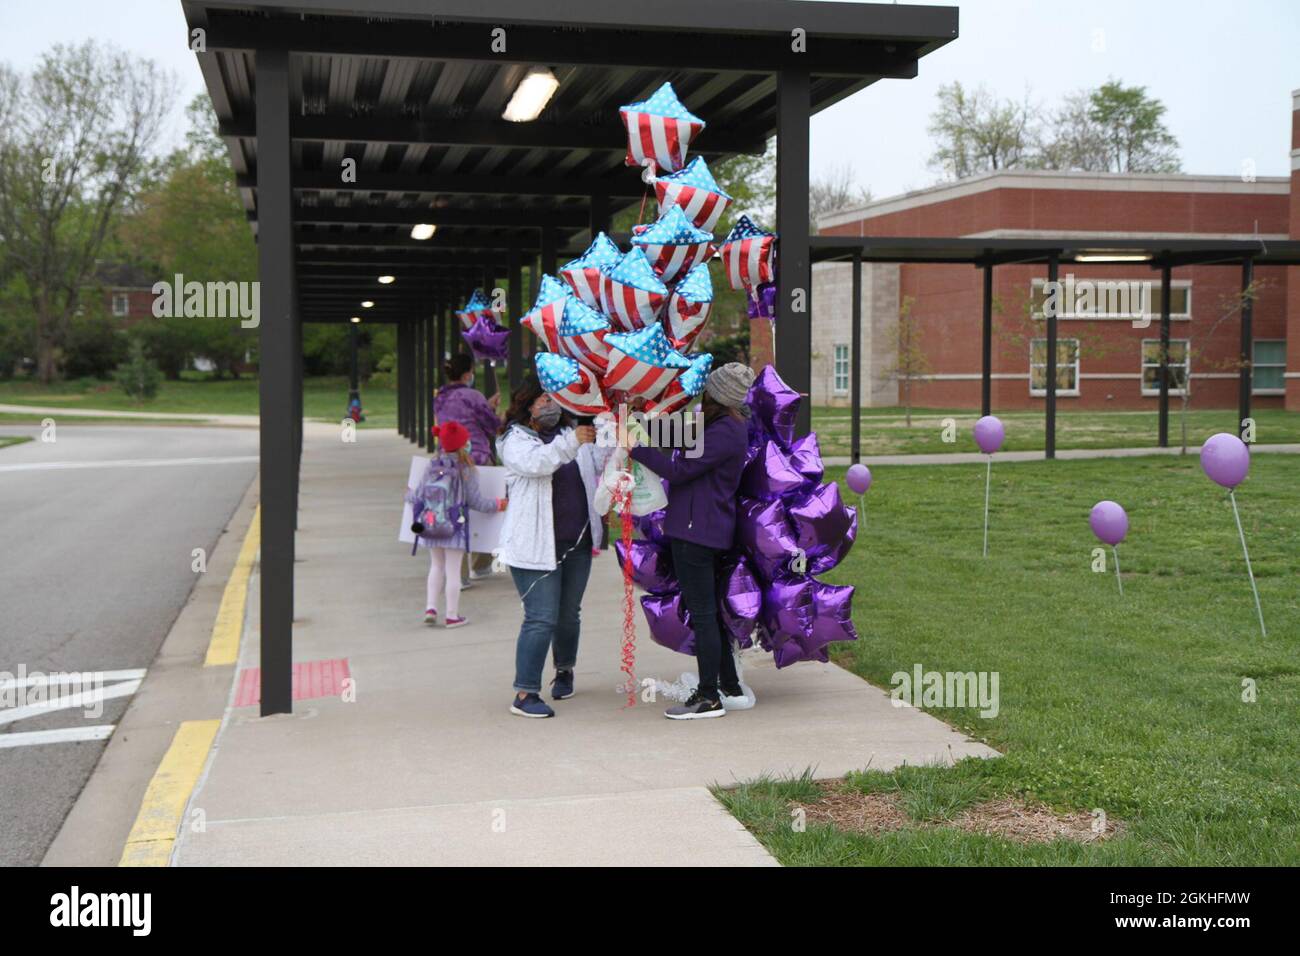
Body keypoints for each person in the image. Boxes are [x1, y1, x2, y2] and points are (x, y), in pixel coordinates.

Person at [628, 363, 755, 720]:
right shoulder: (716, 425)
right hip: (699, 528)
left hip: (697, 532)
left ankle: (708, 696)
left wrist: (635, 447)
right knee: (709, 613)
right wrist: (638, 416)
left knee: (703, 614)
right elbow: (674, 435)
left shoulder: (724, 431)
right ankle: (728, 687)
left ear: (716, 394)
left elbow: (679, 470)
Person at [496, 376, 613, 719]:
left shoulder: (574, 433)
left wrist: (608, 421)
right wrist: (574, 442)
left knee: (568, 614)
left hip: (576, 540)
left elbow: (603, 458)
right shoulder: (513, 441)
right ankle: (525, 692)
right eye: (542, 399)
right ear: (527, 405)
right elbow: (539, 463)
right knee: (540, 617)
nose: (550, 404)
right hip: (534, 547)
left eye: (554, 398)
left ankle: (565, 670)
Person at [409, 421, 505, 628]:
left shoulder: (431, 466)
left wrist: (407, 493)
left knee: (435, 566)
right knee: (453, 572)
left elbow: (416, 496)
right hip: (454, 528)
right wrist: (498, 504)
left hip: (431, 526)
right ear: (464, 444)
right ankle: (452, 616)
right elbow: (477, 502)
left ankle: (430, 608)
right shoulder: (467, 470)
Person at [434, 352, 504, 583]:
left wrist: (485, 404)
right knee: (486, 513)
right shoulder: (473, 396)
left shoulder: (440, 397)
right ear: (466, 374)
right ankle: (481, 565)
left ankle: (458, 575)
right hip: (477, 460)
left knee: (455, 514)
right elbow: (493, 425)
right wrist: (494, 409)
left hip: (448, 460)